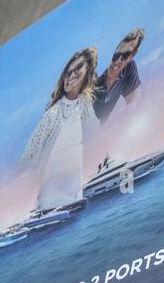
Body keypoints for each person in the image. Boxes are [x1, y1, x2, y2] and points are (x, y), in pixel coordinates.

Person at [20, 47, 99, 212]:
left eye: (77, 71)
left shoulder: (84, 104)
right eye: (67, 73)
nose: (70, 77)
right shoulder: (53, 113)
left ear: (86, 76)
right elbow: (29, 153)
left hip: (75, 196)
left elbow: (96, 136)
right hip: (50, 200)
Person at [93, 29, 144, 123]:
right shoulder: (94, 86)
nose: (117, 61)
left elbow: (134, 95)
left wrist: (131, 108)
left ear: (133, 55)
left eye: (125, 55)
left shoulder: (128, 69)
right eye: (116, 55)